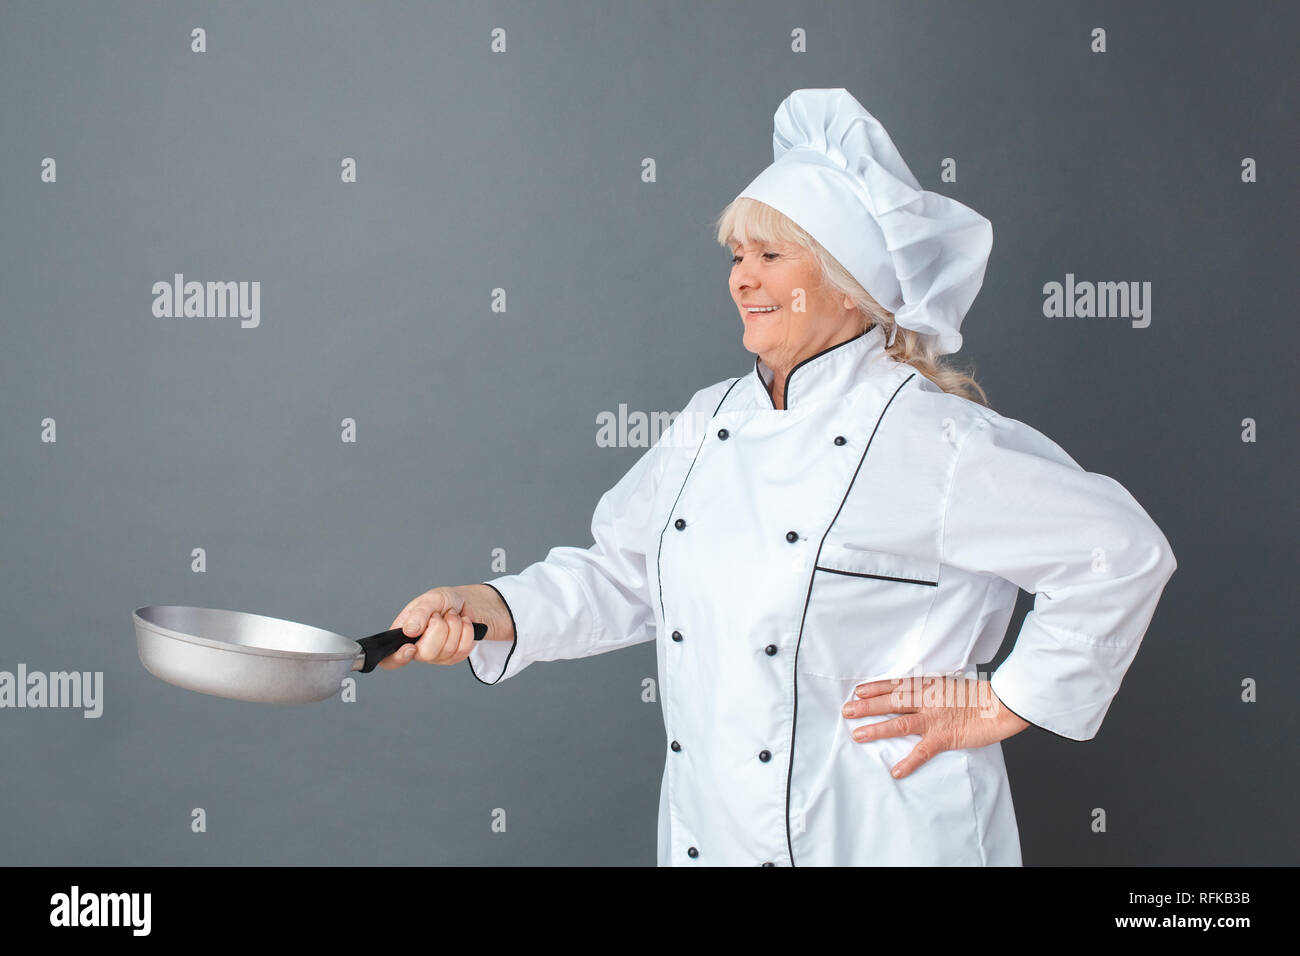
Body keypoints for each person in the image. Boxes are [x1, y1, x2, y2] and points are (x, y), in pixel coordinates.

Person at [380, 88, 1177, 866]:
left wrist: (1010, 700)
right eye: (736, 256)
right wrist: (486, 608)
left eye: (769, 255)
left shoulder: (933, 441)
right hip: (713, 835)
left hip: (884, 835)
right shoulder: (708, 419)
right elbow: (625, 573)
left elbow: (1120, 551)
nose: (740, 279)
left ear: (848, 281)